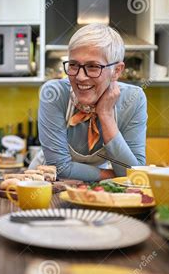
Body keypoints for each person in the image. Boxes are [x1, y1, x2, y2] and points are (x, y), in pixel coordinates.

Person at [30, 23, 147, 181]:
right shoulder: (54, 94)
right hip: (48, 186)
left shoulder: (133, 99)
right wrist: (115, 175)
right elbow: (60, 167)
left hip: (96, 190)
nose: (80, 77)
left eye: (93, 66)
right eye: (73, 65)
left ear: (117, 71)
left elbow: (136, 175)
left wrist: (105, 115)